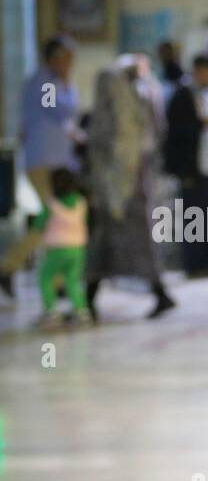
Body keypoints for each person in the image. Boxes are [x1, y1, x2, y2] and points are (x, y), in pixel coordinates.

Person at [84, 56, 176, 320]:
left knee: (117, 240)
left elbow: (102, 142)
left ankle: (157, 292)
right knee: (112, 241)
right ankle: (92, 298)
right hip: (125, 182)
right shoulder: (132, 94)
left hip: (125, 184)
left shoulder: (133, 97)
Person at [3, 36, 81, 298]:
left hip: (57, 161)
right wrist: (67, 84)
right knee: (52, 218)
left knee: (53, 220)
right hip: (43, 162)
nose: (70, 64)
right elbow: (60, 110)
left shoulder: (54, 82)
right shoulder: (44, 83)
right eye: (66, 58)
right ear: (55, 58)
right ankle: (10, 266)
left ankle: (55, 279)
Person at [164, 53, 208, 277]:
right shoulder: (183, 95)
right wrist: (202, 123)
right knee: (195, 218)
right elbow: (175, 133)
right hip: (195, 167)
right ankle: (194, 265)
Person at [33, 167, 90, 329]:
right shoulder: (81, 202)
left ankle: (51, 312)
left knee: (46, 277)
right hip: (78, 248)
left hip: (57, 248)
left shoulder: (51, 204)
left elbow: (39, 224)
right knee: (73, 280)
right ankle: (82, 311)